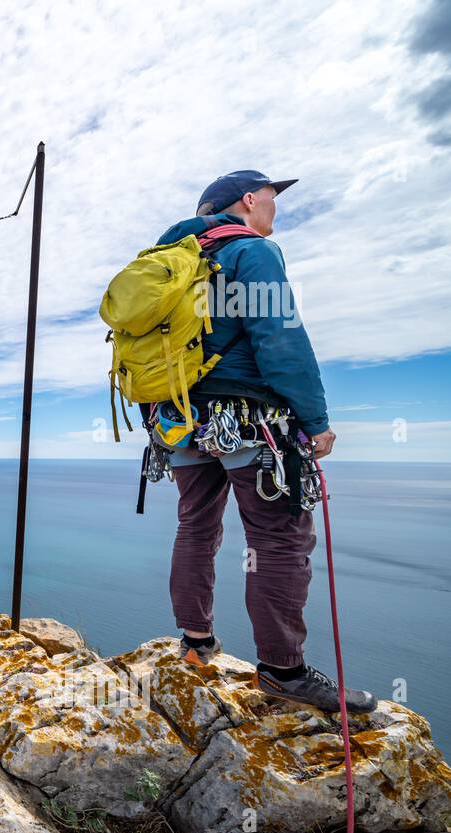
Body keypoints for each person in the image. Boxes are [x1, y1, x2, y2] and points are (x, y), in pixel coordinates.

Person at [156, 170, 375, 713]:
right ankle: (283, 671)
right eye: (273, 199)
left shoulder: (171, 256)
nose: (275, 210)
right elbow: (279, 338)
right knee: (278, 540)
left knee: (196, 526)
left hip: (179, 420)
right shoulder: (250, 251)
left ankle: (196, 643)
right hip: (250, 423)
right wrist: (315, 419)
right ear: (249, 200)